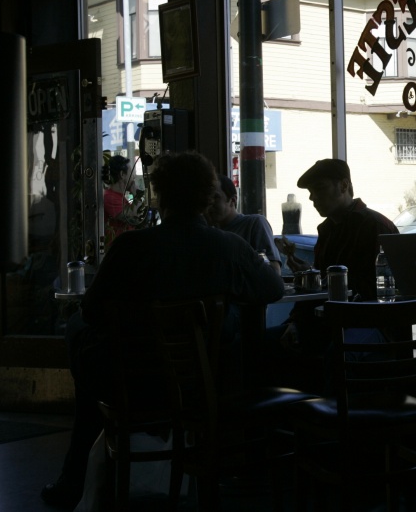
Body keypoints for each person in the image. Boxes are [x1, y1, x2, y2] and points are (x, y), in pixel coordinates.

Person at [41, 151, 284, 510]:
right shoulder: (229, 248)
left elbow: (92, 311)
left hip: (130, 384)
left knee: (79, 332)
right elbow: (273, 290)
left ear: (158, 194)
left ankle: (77, 477)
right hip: (201, 385)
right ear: (208, 198)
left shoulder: (131, 248)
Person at [270, 159, 398, 378]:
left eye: (319, 189)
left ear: (344, 186)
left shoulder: (376, 227)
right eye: (311, 192)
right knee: (260, 343)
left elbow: (378, 292)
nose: (312, 198)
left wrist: (318, 280)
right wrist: (296, 320)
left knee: (336, 353)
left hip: (373, 324)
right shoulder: (329, 230)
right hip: (332, 323)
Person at [207, 175, 282, 274]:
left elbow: (274, 272)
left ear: (233, 200)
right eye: (208, 198)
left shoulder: (254, 224)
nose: (210, 203)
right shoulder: (208, 232)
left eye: (216, 197)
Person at [102, 154, 144, 247]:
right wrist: (136, 195)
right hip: (117, 249)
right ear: (122, 174)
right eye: (131, 172)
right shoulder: (109, 197)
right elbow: (135, 216)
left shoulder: (120, 197)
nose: (134, 176)